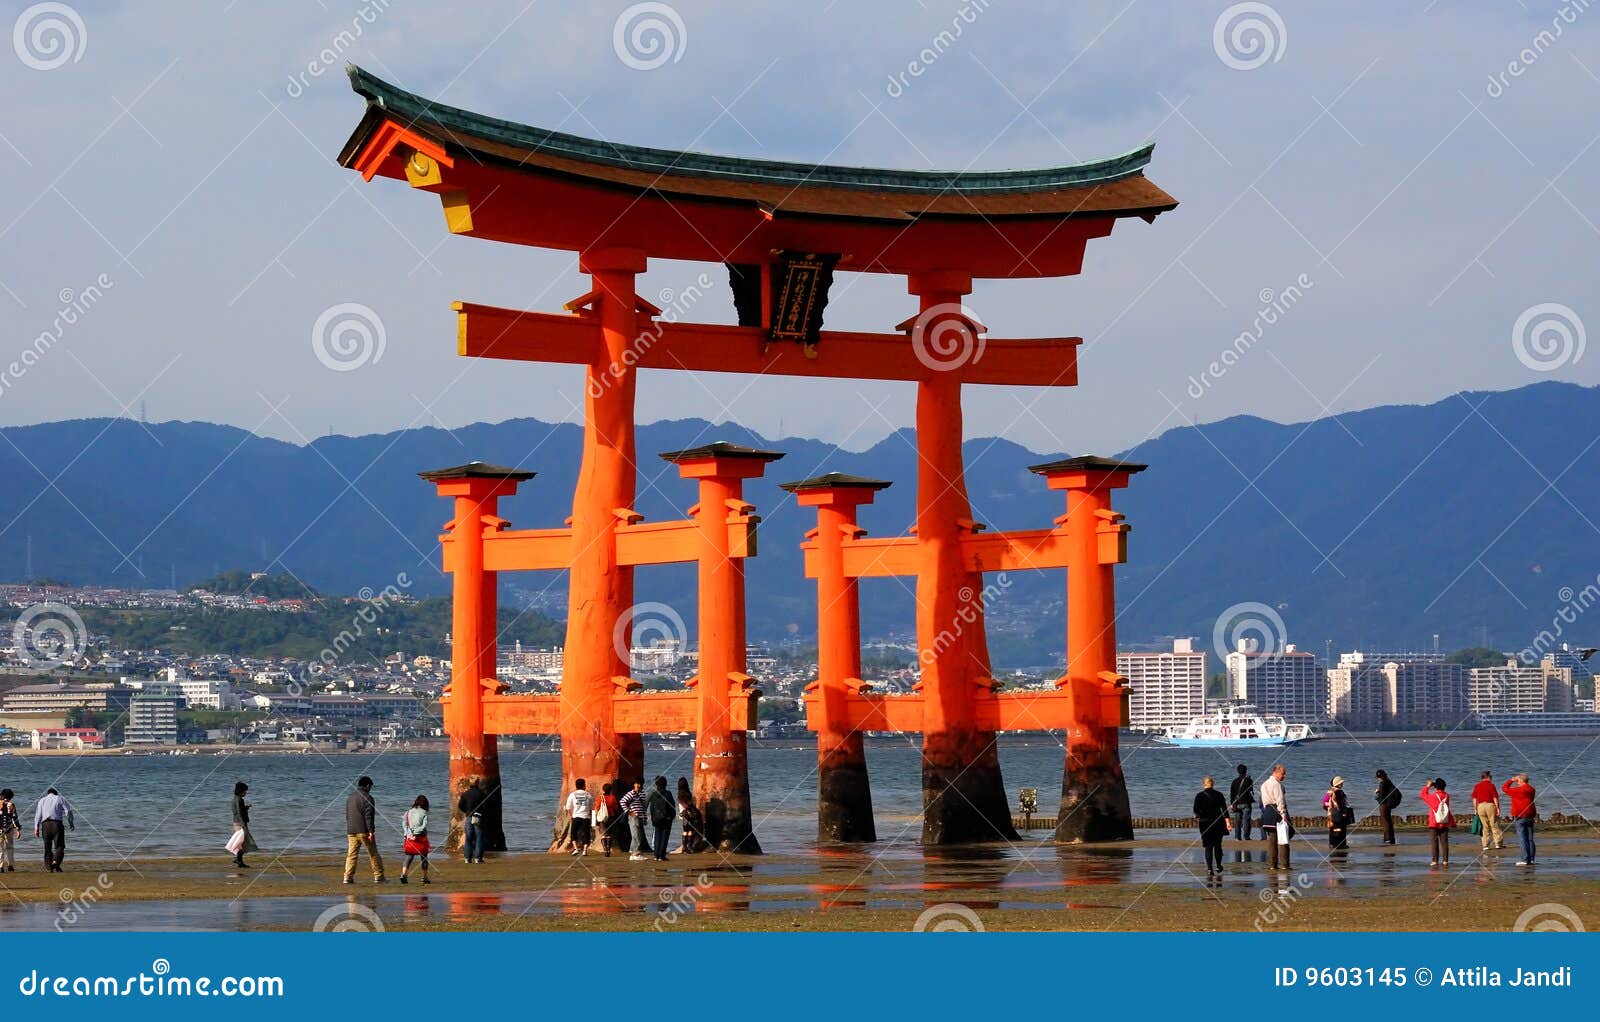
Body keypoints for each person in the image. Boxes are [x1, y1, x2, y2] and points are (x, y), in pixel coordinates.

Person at [343, 775, 386, 884]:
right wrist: (371, 831)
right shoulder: (368, 798)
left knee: (351, 855)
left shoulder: (350, 797)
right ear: (367, 785)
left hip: (351, 830)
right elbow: (368, 816)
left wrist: (350, 827)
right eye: (370, 786)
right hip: (364, 831)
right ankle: (379, 876)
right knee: (373, 853)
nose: (370, 789)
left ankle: (347, 877)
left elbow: (347, 814)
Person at [1193, 775, 1230, 876]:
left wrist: (1198, 816)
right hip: (1218, 822)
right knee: (1218, 845)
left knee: (1208, 846)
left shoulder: (1199, 796)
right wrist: (1228, 823)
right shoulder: (1219, 795)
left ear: (1203, 784)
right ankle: (1218, 865)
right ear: (1213, 783)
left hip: (1204, 823)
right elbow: (1225, 810)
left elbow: (1196, 810)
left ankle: (1209, 868)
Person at [33, 787, 74, 873]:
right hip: (57, 824)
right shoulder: (60, 798)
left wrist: (36, 828)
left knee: (47, 847)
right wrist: (71, 822)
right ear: (56, 793)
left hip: (45, 825)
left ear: (47, 793)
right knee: (60, 846)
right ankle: (55, 861)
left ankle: (49, 867)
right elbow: (68, 811)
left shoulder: (42, 800)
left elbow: (38, 815)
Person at [1258, 764, 1290, 870]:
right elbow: (1280, 800)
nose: (1284, 776)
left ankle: (1272, 864)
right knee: (1283, 839)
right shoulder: (1276, 784)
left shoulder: (1264, 784)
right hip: (1277, 811)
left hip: (1267, 811)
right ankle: (1284, 864)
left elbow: (1263, 801)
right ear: (1275, 772)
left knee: (1272, 839)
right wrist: (1283, 814)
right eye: (1282, 774)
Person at [1419, 777, 1454, 867]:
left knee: (1434, 842)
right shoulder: (1447, 796)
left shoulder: (1433, 796)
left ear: (1436, 787)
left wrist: (1427, 786)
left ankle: (1435, 861)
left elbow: (1423, 795)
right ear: (1444, 787)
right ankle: (1445, 860)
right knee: (1444, 842)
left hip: (1434, 822)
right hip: (1445, 821)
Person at [1503, 773, 1537, 866]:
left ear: (1521, 780)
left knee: (1523, 838)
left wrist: (1511, 780)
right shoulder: (1532, 789)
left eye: (1518, 780)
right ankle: (1531, 859)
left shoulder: (1518, 790)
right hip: (1530, 814)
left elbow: (1504, 789)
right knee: (1530, 838)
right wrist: (1517, 780)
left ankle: (1525, 859)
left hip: (1520, 815)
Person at [1471, 770, 1505, 852]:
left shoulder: (1477, 786)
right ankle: (1498, 843)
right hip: (1490, 805)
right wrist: (1498, 808)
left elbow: (1474, 799)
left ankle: (1485, 845)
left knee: (1484, 826)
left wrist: (1475, 809)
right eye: (1491, 777)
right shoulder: (1491, 786)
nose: (1492, 778)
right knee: (1494, 824)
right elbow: (1495, 798)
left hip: (1480, 806)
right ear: (1487, 777)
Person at [400, 795, 431, 884]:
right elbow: (424, 825)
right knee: (424, 857)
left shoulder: (408, 812)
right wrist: (416, 831)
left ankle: (404, 874)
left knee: (408, 856)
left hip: (410, 838)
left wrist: (408, 833)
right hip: (421, 837)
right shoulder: (424, 813)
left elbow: (404, 824)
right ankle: (424, 877)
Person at [646, 776, 674, 861]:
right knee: (664, 837)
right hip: (666, 819)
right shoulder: (668, 793)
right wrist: (671, 816)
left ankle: (656, 855)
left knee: (657, 836)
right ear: (665, 784)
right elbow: (671, 806)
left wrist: (653, 817)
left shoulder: (654, 794)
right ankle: (661, 855)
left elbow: (652, 807)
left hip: (656, 819)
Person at [230, 781, 257, 869]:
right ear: (240, 791)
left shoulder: (235, 799)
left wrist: (246, 807)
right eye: (244, 791)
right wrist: (243, 824)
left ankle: (239, 860)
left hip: (237, 822)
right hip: (240, 823)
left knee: (242, 842)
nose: (245, 793)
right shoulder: (239, 800)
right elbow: (238, 812)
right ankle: (239, 860)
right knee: (244, 842)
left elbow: (238, 810)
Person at [457, 778, 485, 864]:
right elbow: (486, 805)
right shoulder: (481, 794)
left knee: (468, 837)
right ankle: (478, 858)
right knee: (479, 837)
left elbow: (460, 805)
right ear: (477, 783)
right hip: (478, 816)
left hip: (469, 816)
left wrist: (467, 812)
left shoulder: (465, 794)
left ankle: (467, 858)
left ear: (470, 783)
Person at [621, 779, 649, 862]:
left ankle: (633, 853)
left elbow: (643, 807)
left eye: (640, 784)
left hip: (640, 817)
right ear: (634, 784)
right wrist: (629, 812)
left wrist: (645, 818)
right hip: (634, 817)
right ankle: (636, 854)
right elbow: (622, 801)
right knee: (636, 835)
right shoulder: (631, 793)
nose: (638, 785)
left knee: (638, 835)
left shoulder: (643, 794)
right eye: (637, 784)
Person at [675, 777, 706, 854]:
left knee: (685, 831)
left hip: (683, 814)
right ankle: (689, 847)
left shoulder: (679, 794)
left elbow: (681, 804)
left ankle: (684, 847)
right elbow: (690, 804)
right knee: (690, 831)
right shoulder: (687, 793)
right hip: (689, 814)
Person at [565, 778, 595, 856]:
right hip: (586, 817)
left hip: (576, 816)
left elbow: (568, 807)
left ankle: (576, 849)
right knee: (586, 834)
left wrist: (571, 816)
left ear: (576, 786)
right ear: (584, 785)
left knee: (573, 834)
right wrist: (592, 818)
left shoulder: (572, 795)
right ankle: (585, 850)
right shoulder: (588, 795)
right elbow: (592, 808)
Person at [1374, 769, 1401, 845]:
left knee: (1385, 821)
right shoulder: (1388, 781)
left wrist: (1377, 792)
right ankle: (1391, 838)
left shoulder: (1382, 783)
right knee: (1388, 820)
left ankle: (1387, 839)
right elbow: (1387, 793)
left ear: (1380, 777)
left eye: (1378, 777)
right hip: (1388, 804)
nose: (1378, 779)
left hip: (1384, 805)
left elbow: (1382, 796)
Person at [1228, 764, 1254, 841]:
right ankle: (1246, 837)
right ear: (1245, 771)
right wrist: (1249, 779)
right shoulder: (1249, 780)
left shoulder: (1234, 781)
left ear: (1238, 771)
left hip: (1237, 803)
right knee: (1246, 820)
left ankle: (1237, 837)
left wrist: (1232, 803)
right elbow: (1251, 790)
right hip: (1246, 802)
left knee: (1237, 821)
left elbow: (1232, 794)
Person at [1325, 776, 1352, 850]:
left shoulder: (1329, 792)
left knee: (1333, 828)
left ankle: (1332, 843)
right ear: (1338, 784)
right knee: (1341, 828)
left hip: (1331, 812)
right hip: (1338, 812)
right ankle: (1341, 844)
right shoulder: (1339, 792)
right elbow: (1342, 803)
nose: (1342, 784)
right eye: (1341, 783)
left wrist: (1329, 808)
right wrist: (1344, 812)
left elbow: (1325, 803)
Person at [596, 782, 620, 857]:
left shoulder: (600, 798)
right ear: (610, 790)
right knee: (609, 834)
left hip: (602, 818)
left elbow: (597, 808)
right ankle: (609, 850)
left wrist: (595, 818)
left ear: (603, 790)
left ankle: (605, 850)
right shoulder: (613, 797)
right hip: (611, 817)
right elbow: (616, 807)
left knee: (603, 834)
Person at [0, 789, 19, 872]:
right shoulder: (11, 805)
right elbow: (14, 818)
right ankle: (10, 865)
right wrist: (18, 829)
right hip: (8, 829)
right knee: (10, 847)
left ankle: (0, 866)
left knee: (0, 849)